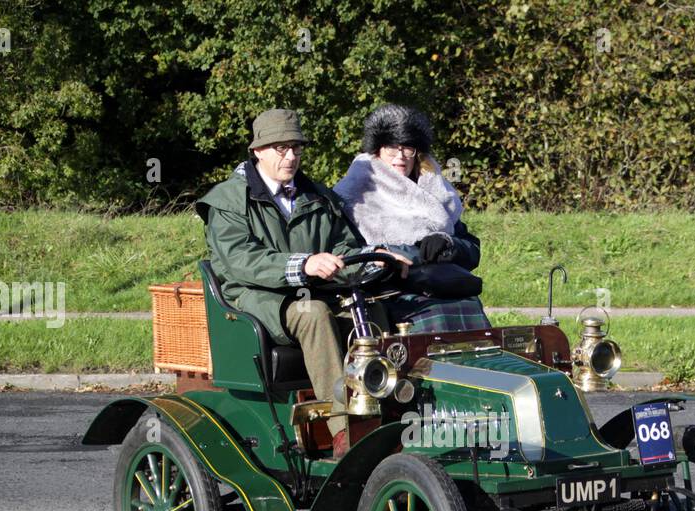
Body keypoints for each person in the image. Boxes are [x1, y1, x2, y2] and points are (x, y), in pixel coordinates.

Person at [195, 108, 408, 459]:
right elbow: (242, 261)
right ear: (258, 151)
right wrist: (305, 264)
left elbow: (344, 248)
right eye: (280, 148)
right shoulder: (227, 201)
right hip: (255, 299)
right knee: (314, 313)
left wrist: (378, 258)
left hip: (314, 292)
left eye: (295, 147)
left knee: (374, 310)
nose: (290, 156)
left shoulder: (317, 195)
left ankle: (391, 418)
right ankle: (344, 430)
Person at [332, 104, 489, 332]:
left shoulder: (435, 190)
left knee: (471, 310)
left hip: (440, 284)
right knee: (434, 318)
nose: (400, 157)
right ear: (377, 151)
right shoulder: (356, 196)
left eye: (408, 149)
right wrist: (413, 254)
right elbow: (349, 253)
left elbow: (473, 252)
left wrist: (447, 244)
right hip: (392, 292)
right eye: (392, 148)